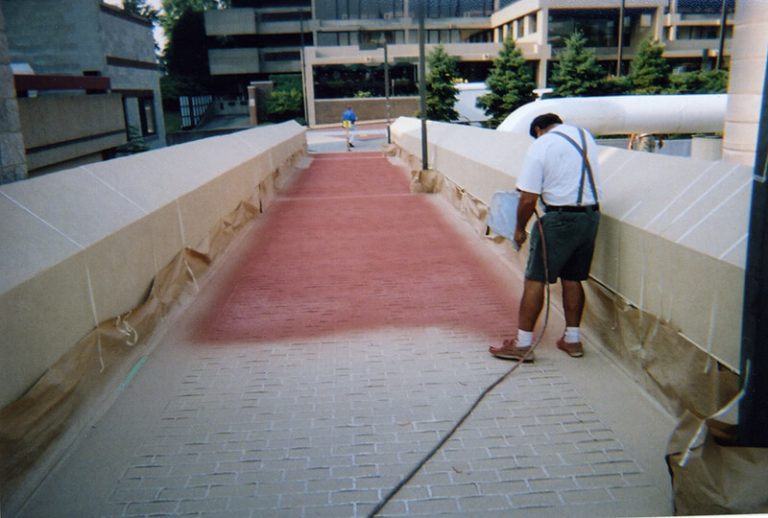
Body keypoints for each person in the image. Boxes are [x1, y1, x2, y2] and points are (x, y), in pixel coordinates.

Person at [489, 113, 602, 363]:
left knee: (535, 279)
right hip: (590, 216)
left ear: (539, 130)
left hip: (559, 219)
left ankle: (523, 344)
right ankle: (572, 340)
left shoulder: (542, 144)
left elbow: (528, 198)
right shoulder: (585, 137)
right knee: (573, 278)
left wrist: (519, 229)